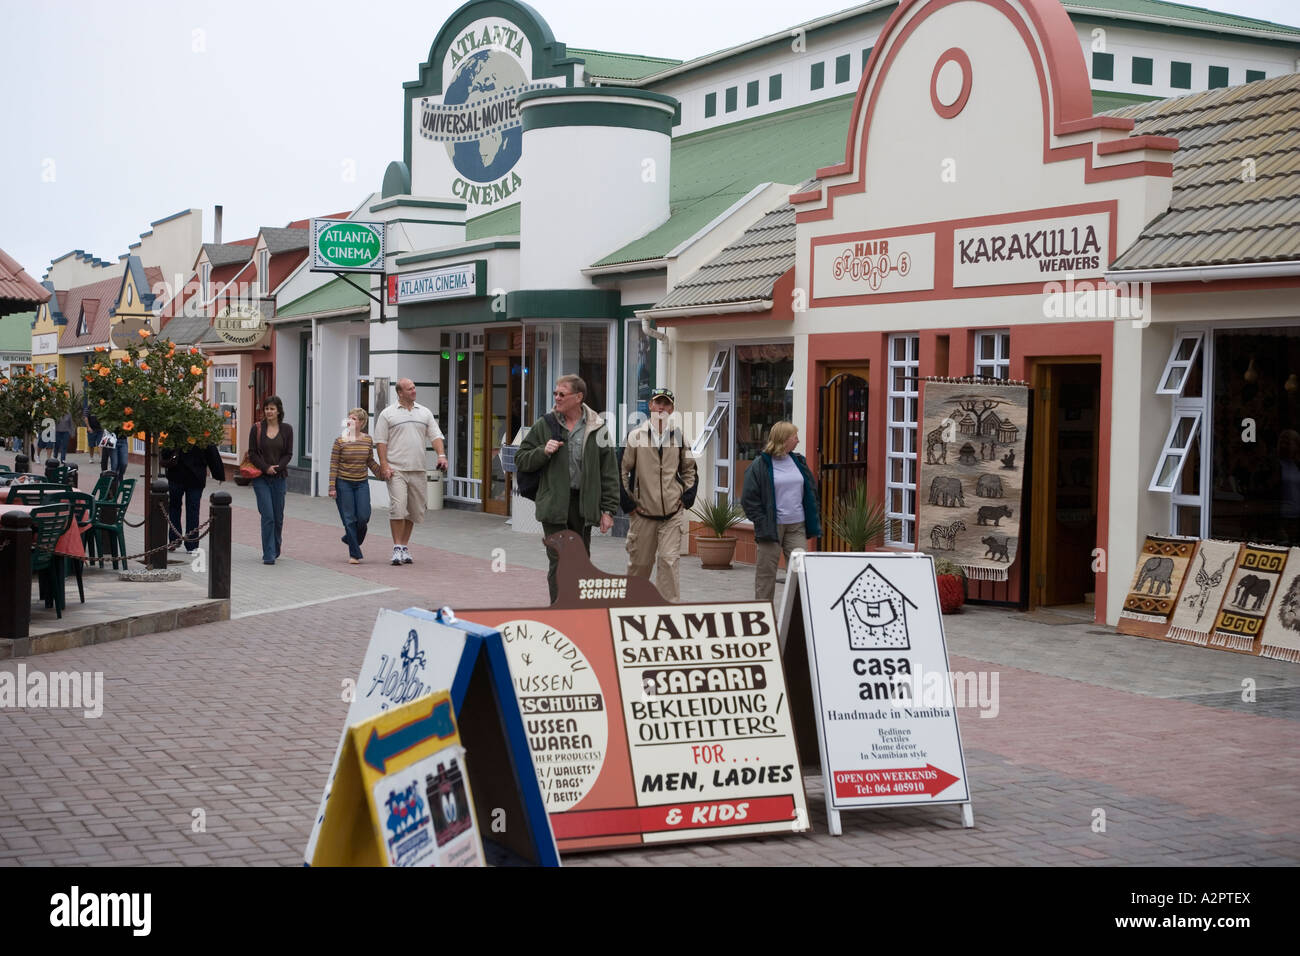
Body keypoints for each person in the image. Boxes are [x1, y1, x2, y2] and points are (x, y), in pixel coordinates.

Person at [515, 374, 619, 603]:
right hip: (554, 504)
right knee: (559, 559)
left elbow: (609, 472)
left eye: (562, 394)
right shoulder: (546, 424)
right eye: (555, 393)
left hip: (583, 504)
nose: (557, 398)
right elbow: (521, 459)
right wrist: (543, 451)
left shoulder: (597, 427)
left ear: (578, 397)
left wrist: (608, 510)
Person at [620, 387, 697, 603]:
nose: (661, 407)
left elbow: (690, 469)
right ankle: (632, 610)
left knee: (669, 562)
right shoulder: (635, 436)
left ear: (672, 409)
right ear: (650, 406)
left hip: (672, 514)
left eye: (666, 404)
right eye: (658, 403)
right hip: (643, 513)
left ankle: (667, 612)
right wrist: (629, 503)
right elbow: (621, 470)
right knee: (640, 565)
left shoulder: (680, 437)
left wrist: (686, 497)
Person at [741, 421, 821, 602]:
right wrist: (761, 521)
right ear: (784, 440)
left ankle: (799, 618)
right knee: (766, 575)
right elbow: (748, 498)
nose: (798, 441)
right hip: (771, 527)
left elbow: (810, 489)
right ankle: (763, 618)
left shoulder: (798, 461)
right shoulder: (760, 465)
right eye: (795, 437)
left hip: (796, 525)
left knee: (800, 572)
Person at [374, 378, 446, 567]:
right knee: (398, 507)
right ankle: (397, 547)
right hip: (395, 469)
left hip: (418, 468)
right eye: (410, 388)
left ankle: (405, 546)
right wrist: (384, 464)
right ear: (400, 392)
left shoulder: (424, 412)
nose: (414, 391)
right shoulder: (387, 414)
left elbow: (436, 435)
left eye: (414, 387)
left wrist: (442, 455)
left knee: (414, 511)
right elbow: (380, 441)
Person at [329, 407, 382, 564]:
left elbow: (370, 461)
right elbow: (334, 464)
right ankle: (354, 554)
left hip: (361, 483)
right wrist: (332, 487)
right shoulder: (340, 441)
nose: (350, 421)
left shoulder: (367, 440)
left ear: (362, 422)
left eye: (354, 419)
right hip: (343, 483)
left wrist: (382, 473)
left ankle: (350, 538)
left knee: (363, 516)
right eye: (349, 418)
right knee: (349, 519)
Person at [248, 395, 293, 565]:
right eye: (267, 408)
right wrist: (266, 467)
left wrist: (278, 467)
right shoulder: (257, 428)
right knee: (267, 515)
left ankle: (275, 546)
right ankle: (268, 553)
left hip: (279, 478)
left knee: (278, 516)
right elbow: (252, 453)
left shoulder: (287, 429)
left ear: (279, 410)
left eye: (272, 408)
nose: (269, 411)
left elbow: (288, 453)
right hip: (261, 477)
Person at [161, 441, 226, 553]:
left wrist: (218, 473)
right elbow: (211, 452)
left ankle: (179, 541)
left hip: (185, 475)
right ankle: (188, 544)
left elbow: (211, 451)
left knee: (179, 508)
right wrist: (218, 474)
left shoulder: (179, 428)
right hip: (188, 475)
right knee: (189, 509)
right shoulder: (201, 430)